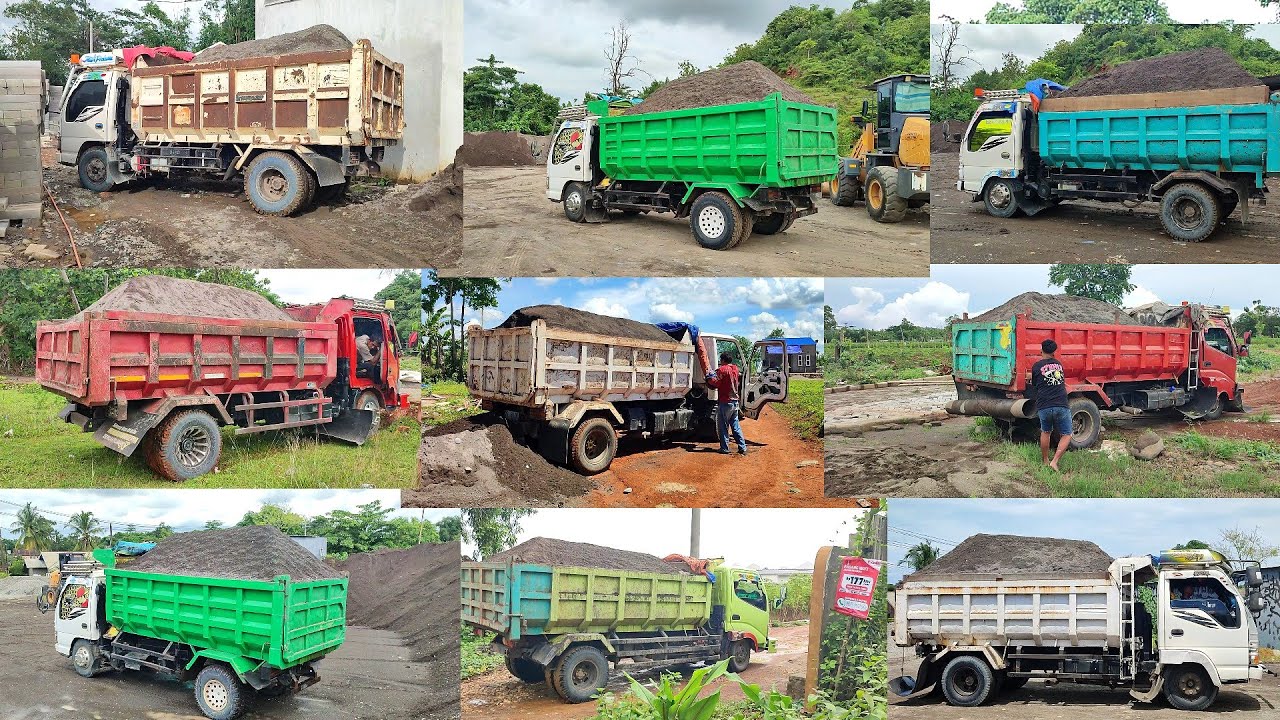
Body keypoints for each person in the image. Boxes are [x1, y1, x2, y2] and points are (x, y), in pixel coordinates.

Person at [1030, 338, 1071, 472]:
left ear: (1041, 350)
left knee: (1046, 432)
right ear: (1054, 352)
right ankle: (1055, 461)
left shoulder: (1036, 366)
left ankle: (1045, 460)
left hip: (1044, 405)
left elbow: (1035, 384)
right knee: (1066, 434)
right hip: (1061, 404)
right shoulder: (1059, 365)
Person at [706, 352, 747, 455]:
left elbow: (716, 383)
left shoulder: (722, 370)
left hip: (725, 401)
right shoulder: (735, 369)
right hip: (735, 402)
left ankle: (724, 448)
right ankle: (742, 447)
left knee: (723, 426)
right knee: (735, 426)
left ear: (723, 360)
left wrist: (708, 378)